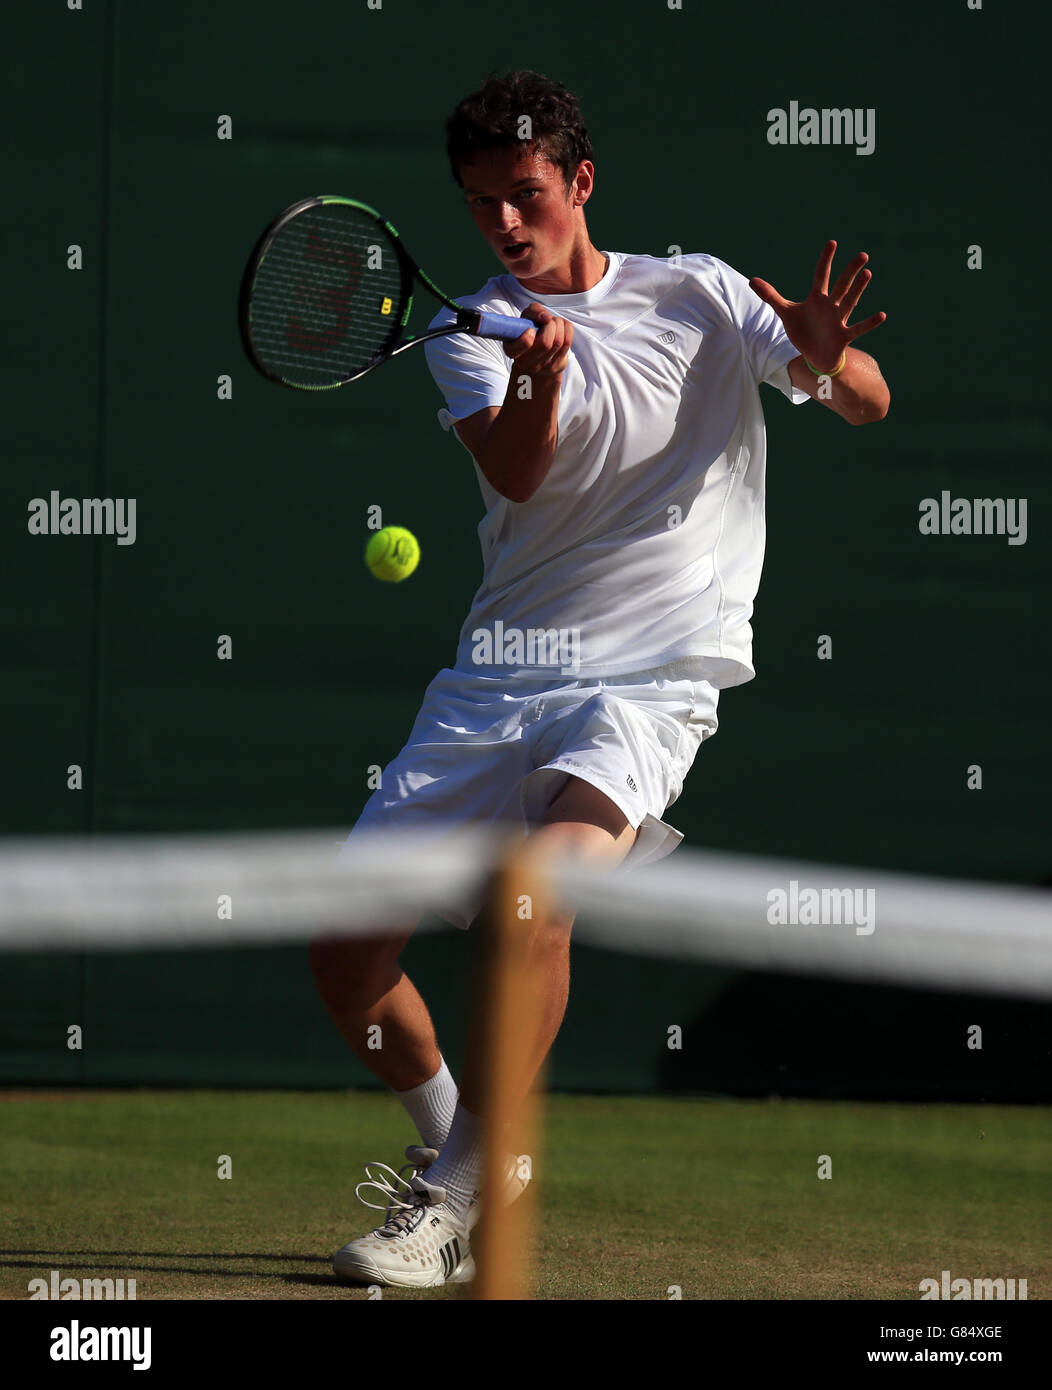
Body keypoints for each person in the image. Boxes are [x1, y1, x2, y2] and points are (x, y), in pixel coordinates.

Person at [309, 68, 890, 1288]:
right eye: (479, 207)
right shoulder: (465, 333)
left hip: (651, 680)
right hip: (498, 678)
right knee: (344, 956)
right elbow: (521, 475)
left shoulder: (702, 294)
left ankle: (451, 1199)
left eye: (524, 196)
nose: (505, 227)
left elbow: (868, 403)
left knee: (540, 894)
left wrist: (827, 364)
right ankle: (470, 1147)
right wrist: (535, 374)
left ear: (579, 182)